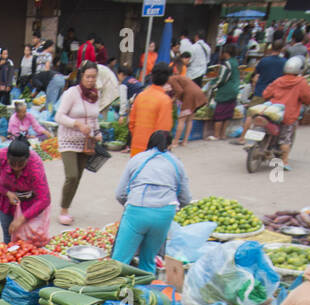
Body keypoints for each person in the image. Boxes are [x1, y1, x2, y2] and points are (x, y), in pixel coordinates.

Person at [111, 130, 191, 270]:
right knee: (148, 261)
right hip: (165, 212)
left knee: (120, 261)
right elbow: (185, 197)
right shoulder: (176, 163)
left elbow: (120, 193)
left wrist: (132, 208)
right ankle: (147, 290)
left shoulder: (137, 159)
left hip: (137, 210)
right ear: (169, 145)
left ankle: (115, 289)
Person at [54, 62, 102, 226]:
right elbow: (59, 117)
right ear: (81, 76)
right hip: (68, 140)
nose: (90, 80)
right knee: (72, 175)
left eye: (93, 77)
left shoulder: (96, 95)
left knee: (78, 177)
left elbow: (94, 118)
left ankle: (67, 207)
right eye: (88, 77)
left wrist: (97, 133)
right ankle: (63, 209)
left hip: (85, 143)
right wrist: (77, 124)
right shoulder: (71, 93)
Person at [250, 56, 310, 168]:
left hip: (272, 112)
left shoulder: (279, 80)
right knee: (285, 138)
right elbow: (307, 98)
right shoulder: (301, 82)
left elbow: (266, 94)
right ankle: (284, 161)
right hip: (288, 115)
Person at [0, 136, 50, 244]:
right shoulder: (0, 157)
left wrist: (21, 219)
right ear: (7, 158)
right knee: (9, 237)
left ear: (27, 159)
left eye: (20, 164)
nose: (16, 167)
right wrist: (7, 193)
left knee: (32, 239)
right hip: (7, 203)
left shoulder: (35, 165)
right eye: (12, 164)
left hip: (30, 204)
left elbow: (44, 199)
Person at [206, 44, 241, 141]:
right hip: (234, 90)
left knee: (219, 114)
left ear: (226, 53)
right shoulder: (235, 62)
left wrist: (211, 85)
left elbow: (221, 79)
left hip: (226, 91)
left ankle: (216, 135)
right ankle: (223, 135)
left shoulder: (227, 64)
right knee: (227, 114)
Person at [169, 72, 208, 146]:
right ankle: (185, 141)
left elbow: (179, 91)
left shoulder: (171, 79)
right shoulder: (179, 77)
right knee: (189, 120)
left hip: (190, 97)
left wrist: (172, 100)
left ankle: (175, 142)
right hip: (198, 94)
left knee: (181, 119)